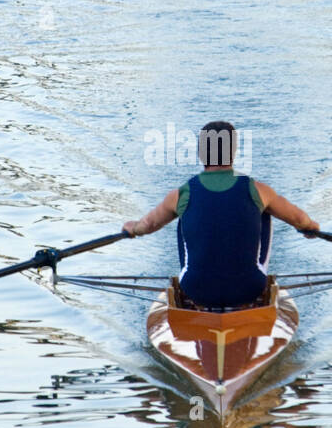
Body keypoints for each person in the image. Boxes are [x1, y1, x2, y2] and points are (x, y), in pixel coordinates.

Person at [123, 121, 320, 309]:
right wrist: (310, 227)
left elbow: (148, 225)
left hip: (196, 290)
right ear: (233, 153)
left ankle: (196, 280)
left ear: (201, 154)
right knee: (263, 210)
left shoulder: (180, 193)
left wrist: (133, 229)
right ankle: (253, 281)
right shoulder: (259, 189)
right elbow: (300, 220)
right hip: (249, 290)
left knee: (184, 212)